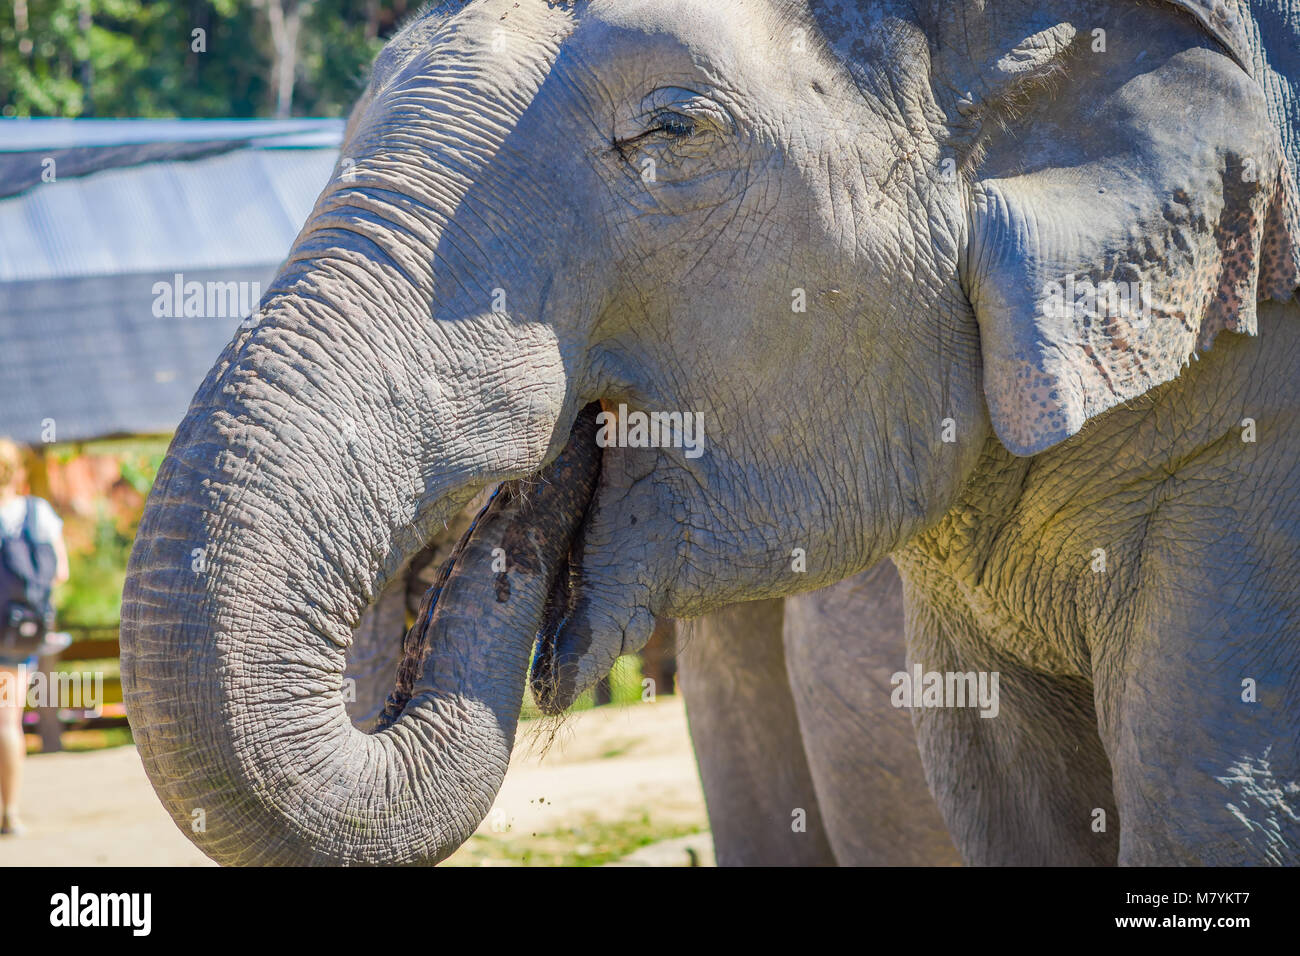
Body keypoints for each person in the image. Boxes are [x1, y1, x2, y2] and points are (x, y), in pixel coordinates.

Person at [0, 439, 68, 837]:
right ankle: (9, 812)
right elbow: (60, 572)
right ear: (17, 471)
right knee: (8, 721)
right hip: (16, 635)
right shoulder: (36, 512)